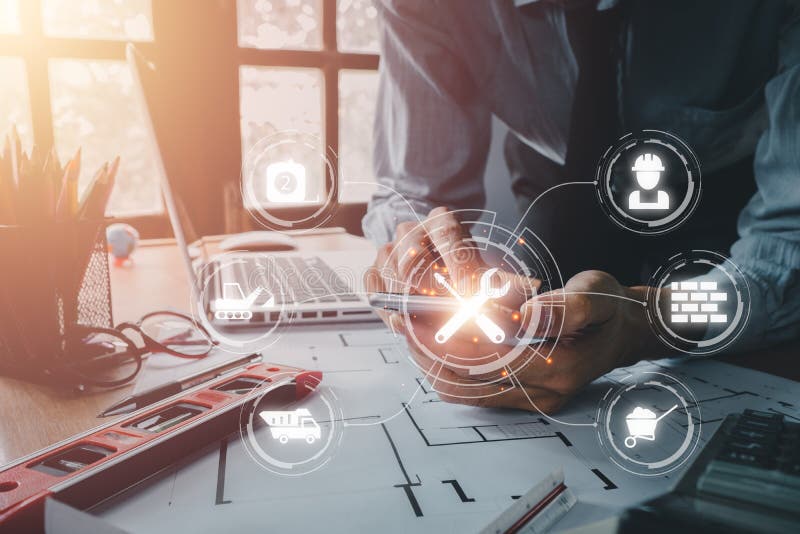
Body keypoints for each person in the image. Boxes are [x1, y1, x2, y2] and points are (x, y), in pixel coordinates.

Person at [362, 0, 800, 412]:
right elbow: (415, 194)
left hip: (726, 215)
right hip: (555, 188)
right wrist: (422, 266)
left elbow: (786, 253)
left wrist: (653, 320)